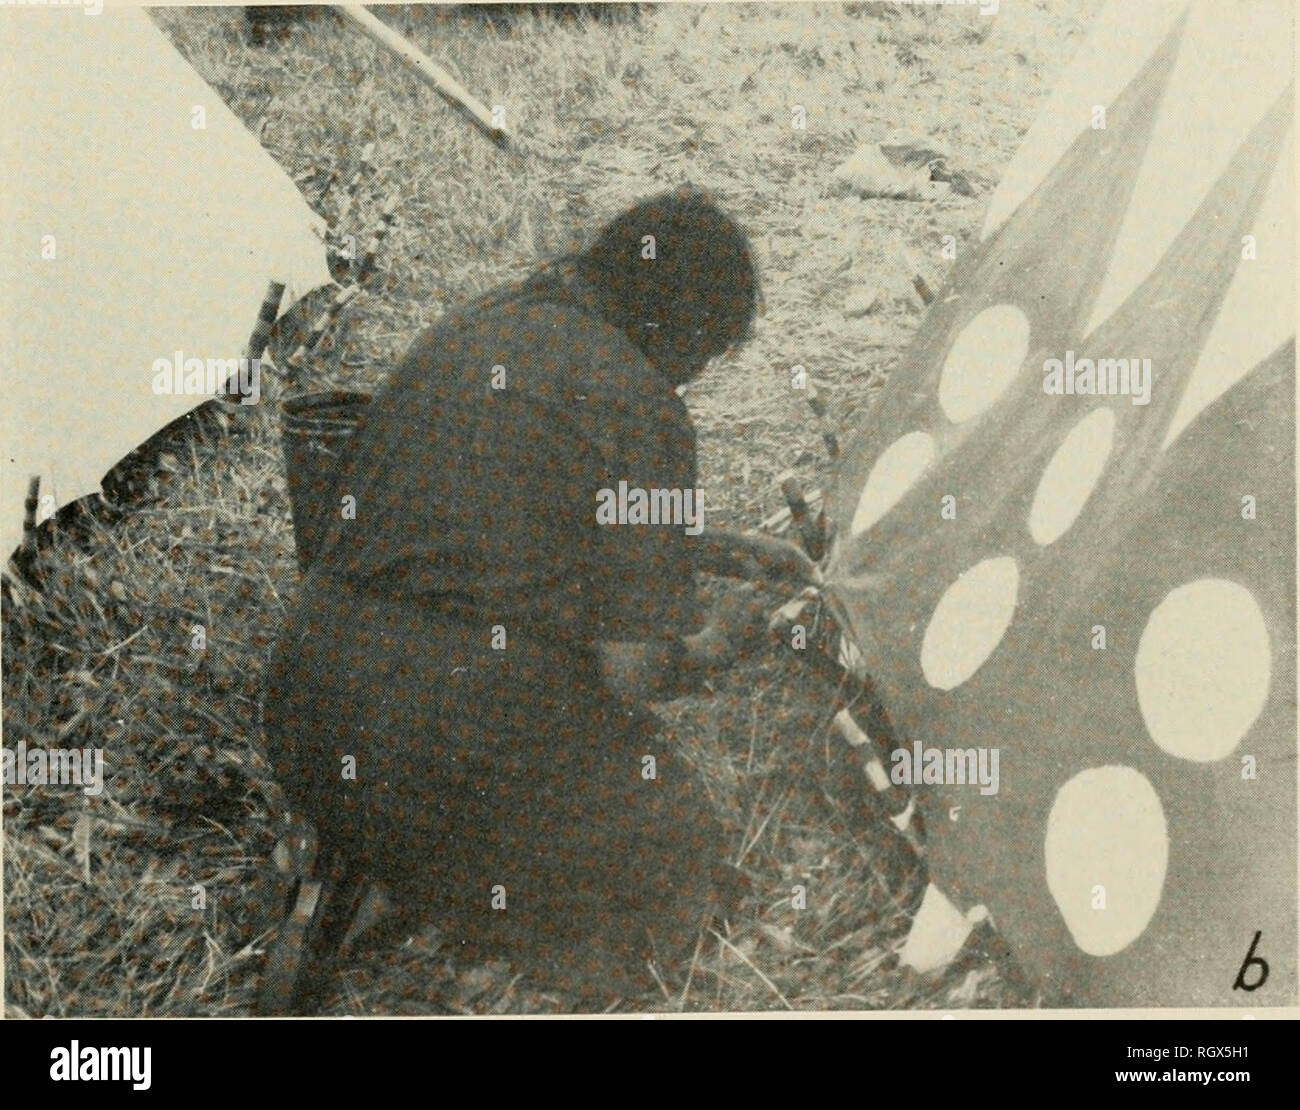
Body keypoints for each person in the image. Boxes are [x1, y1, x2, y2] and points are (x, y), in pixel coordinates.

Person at [264, 187, 768, 1004]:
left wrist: (708, 545)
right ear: (683, 330)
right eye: (702, 358)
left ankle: (373, 861)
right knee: (676, 840)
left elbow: (501, 510)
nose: (692, 379)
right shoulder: (645, 408)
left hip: (304, 717)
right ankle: (460, 886)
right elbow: (630, 674)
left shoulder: (484, 324)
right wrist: (720, 643)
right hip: (450, 742)